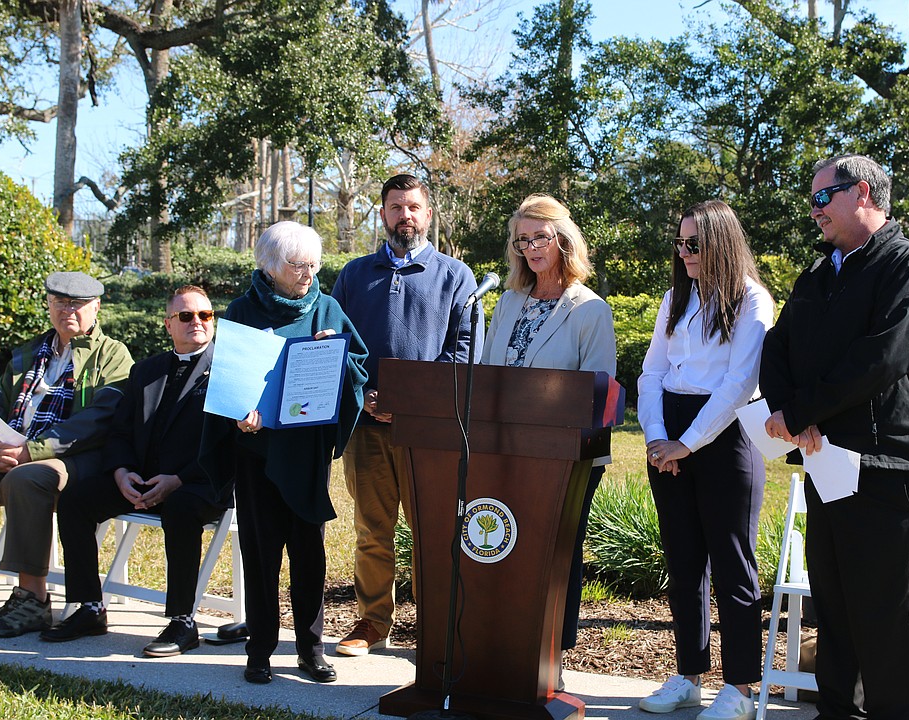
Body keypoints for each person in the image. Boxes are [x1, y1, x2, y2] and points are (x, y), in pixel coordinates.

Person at [760, 154, 909, 720]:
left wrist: (801, 411)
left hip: (896, 473)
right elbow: (777, 348)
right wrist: (791, 412)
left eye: (823, 196)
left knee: (888, 627)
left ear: (862, 193)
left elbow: (881, 358)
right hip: (829, 466)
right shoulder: (819, 275)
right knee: (837, 621)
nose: (812, 209)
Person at [202, 221, 368, 685]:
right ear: (270, 266)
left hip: (305, 451)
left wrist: (331, 356)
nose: (308, 274)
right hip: (256, 452)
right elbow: (228, 376)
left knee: (308, 554)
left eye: (314, 264)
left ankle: (311, 650)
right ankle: (259, 650)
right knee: (260, 554)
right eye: (298, 265)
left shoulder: (328, 308)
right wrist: (239, 413)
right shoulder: (242, 309)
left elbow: (358, 366)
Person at [330, 173, 483, 656]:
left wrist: (412, 400)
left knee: (433, 532)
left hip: (429, 431)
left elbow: (465, 350)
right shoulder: (355, 275)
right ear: (382, 214)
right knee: (372, 530)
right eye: (395, 207)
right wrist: (364, 393)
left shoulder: (456, 277)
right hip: (366, 426)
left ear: (428, 214)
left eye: (413, 206)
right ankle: (372, 622)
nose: (405, 216)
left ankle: (437, 625)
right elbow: (334, 346)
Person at [0, 271, 133, 638]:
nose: (68, 310)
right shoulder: (28, 353)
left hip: (77, 460)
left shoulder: (113, 355)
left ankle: (33, 599)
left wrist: (32, 451)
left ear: (96, 308)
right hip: (12, 452)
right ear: (49, 306)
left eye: (77, 304)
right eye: (60, 302)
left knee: (27, 478)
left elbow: (100, 419)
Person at [636, 200, 774, 720]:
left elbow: (739, 384)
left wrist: (687, 443)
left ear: (722, 242)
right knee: (683, 560)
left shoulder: (752, 301)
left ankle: (740, 688)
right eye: (680, 242)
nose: (685, 252)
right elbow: (651, 374)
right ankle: (688, 676)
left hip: (726, 435)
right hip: (669, 432)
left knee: (733, 564)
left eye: (695, 243)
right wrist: (656, 437)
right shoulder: (676, 298)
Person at [40, 285, 230, 657]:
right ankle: (90, 608)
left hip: (200, 483)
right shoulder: (145, 370)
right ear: (168, 325)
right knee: (76, 500)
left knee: (180, 509)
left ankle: (182, 623)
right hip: (140, 480)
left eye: (205, 315)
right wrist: (121, 472)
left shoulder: (227, 371)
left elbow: (229, 446)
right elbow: (120, 431)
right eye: (186, 316)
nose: (197, 322)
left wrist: (178, 480)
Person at [481, 193, 616, 664]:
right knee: (508, 546)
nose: (532, 247)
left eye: (541, 236)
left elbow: (599, 396)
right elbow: (487, 375)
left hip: (565, 455)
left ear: (563, 239)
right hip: (502, 449)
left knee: (556, 550)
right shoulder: (508, 302)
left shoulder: (590, 310)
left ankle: (552, 651)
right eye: (522, 240)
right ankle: (505, 643)